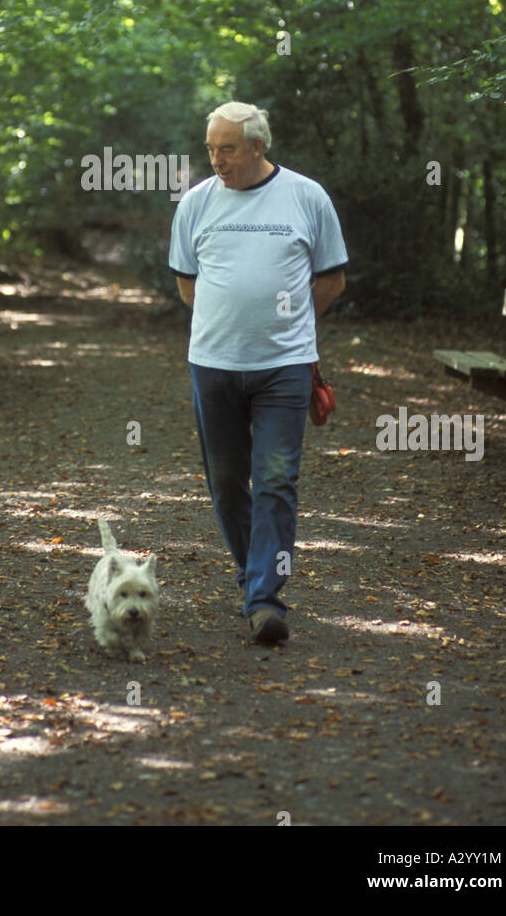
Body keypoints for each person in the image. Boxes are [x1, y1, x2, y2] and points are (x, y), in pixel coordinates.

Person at [169, 101, 348, 645]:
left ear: (257, 147)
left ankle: (265, 599)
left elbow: (332, 279)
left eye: (227, 148)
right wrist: (229, 326)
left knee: (275, 479)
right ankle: (255, 577)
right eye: (210, 148)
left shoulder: (306, 196)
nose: (216, 159)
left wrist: (286, 326)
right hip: (214, 366)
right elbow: (187, 283)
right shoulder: (196, 204)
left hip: (285, 368)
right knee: (226, 482)